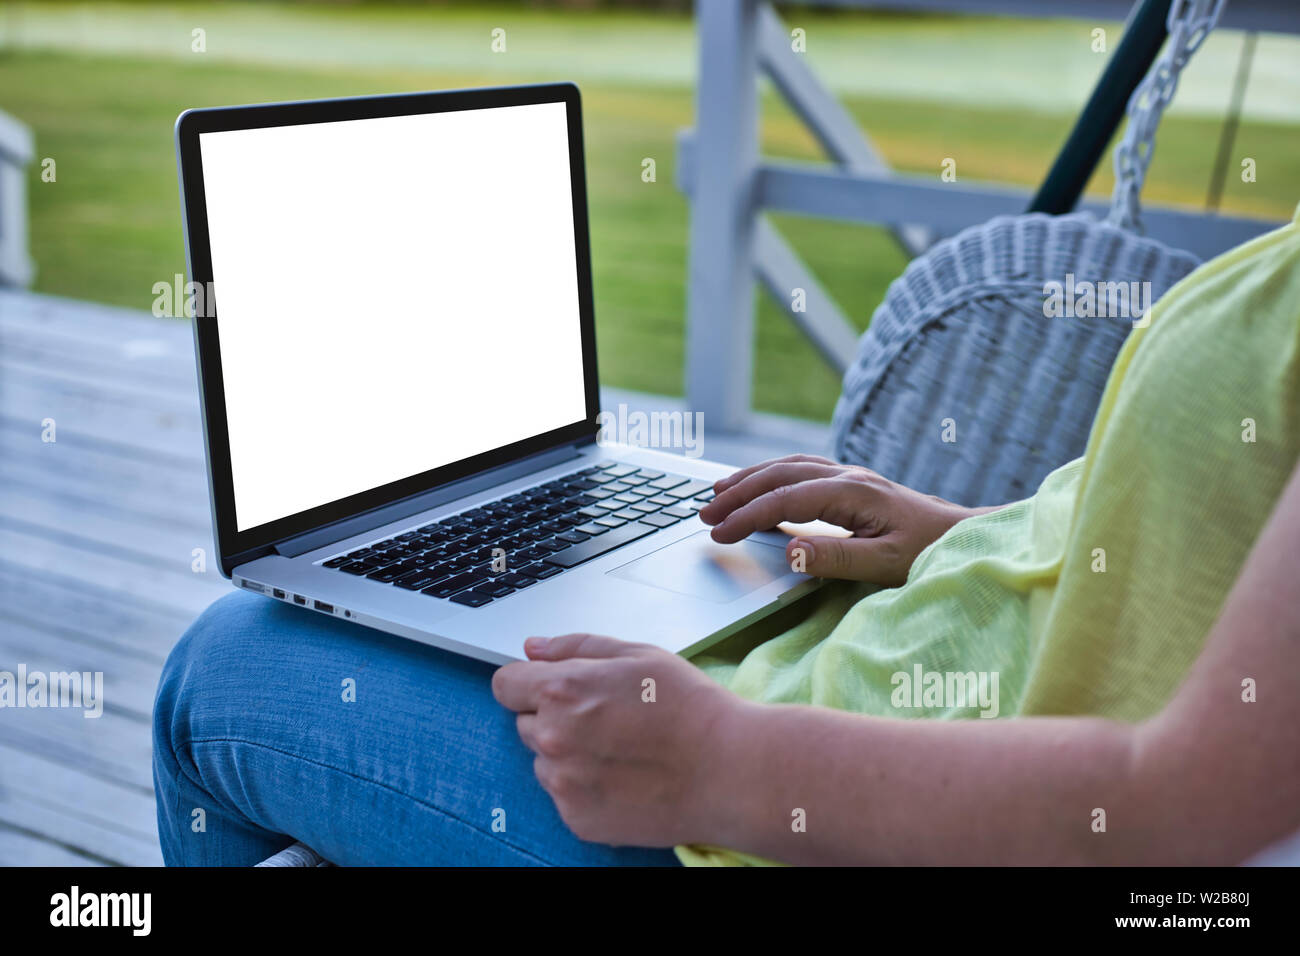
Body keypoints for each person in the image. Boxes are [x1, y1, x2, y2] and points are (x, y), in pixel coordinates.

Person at [153, 208, 1300, 866]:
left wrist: (717, 766)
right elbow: (1197, 546)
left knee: (219, 667)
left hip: (777, 818)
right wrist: (951, 535)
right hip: (831, 694)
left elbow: (1179, 811)